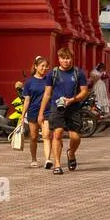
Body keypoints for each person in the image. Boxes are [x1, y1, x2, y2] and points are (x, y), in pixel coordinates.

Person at [38, 45, 88, 176]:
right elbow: (47, 94)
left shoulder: (78, 73)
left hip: (73, 107)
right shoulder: (53, 74)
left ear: (72, 59)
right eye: (63, 58)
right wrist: (41, 113)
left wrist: (73, 99)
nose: (66, 61)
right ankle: (57, 164)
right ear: (59, 59)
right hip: (57, 107)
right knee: (57, 134)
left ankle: (71, 153)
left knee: (75, 137)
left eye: (68, 58)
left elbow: (84, 91)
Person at [20, 57, 52, 169]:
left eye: (46, 66)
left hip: (47, 111)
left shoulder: (49, 80)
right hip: (33, 112)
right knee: (33, 137)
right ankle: (34, 159)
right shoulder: (29, 82)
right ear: (36, 67)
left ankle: (47, 159)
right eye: (42, 66)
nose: (44, 68)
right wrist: (22, 116)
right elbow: (27, 100)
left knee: (46, 135)